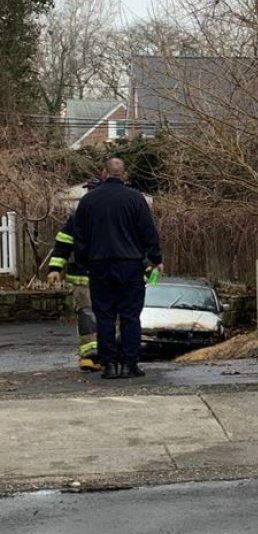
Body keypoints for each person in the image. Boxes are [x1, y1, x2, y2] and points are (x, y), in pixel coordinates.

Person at [73, 158, 163, 379]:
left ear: (104, 173)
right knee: (130, 317)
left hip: (100, 265)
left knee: (104, 317)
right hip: (130, 265)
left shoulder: (89, 201)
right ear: (124, 174)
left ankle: (110, 365)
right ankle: (130, 364)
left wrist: (85, 262)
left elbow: (80, 237)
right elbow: (147, 232)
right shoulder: (135, 199)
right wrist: (155, 258)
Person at [46, 178, 103, 371]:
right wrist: (55, 268)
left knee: (100, 316)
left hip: (99, 276)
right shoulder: (78, 217)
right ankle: (90, 355)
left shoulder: (99, 214)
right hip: (88, 277)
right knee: (89, 316)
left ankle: (103, 354)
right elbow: (63, 242)